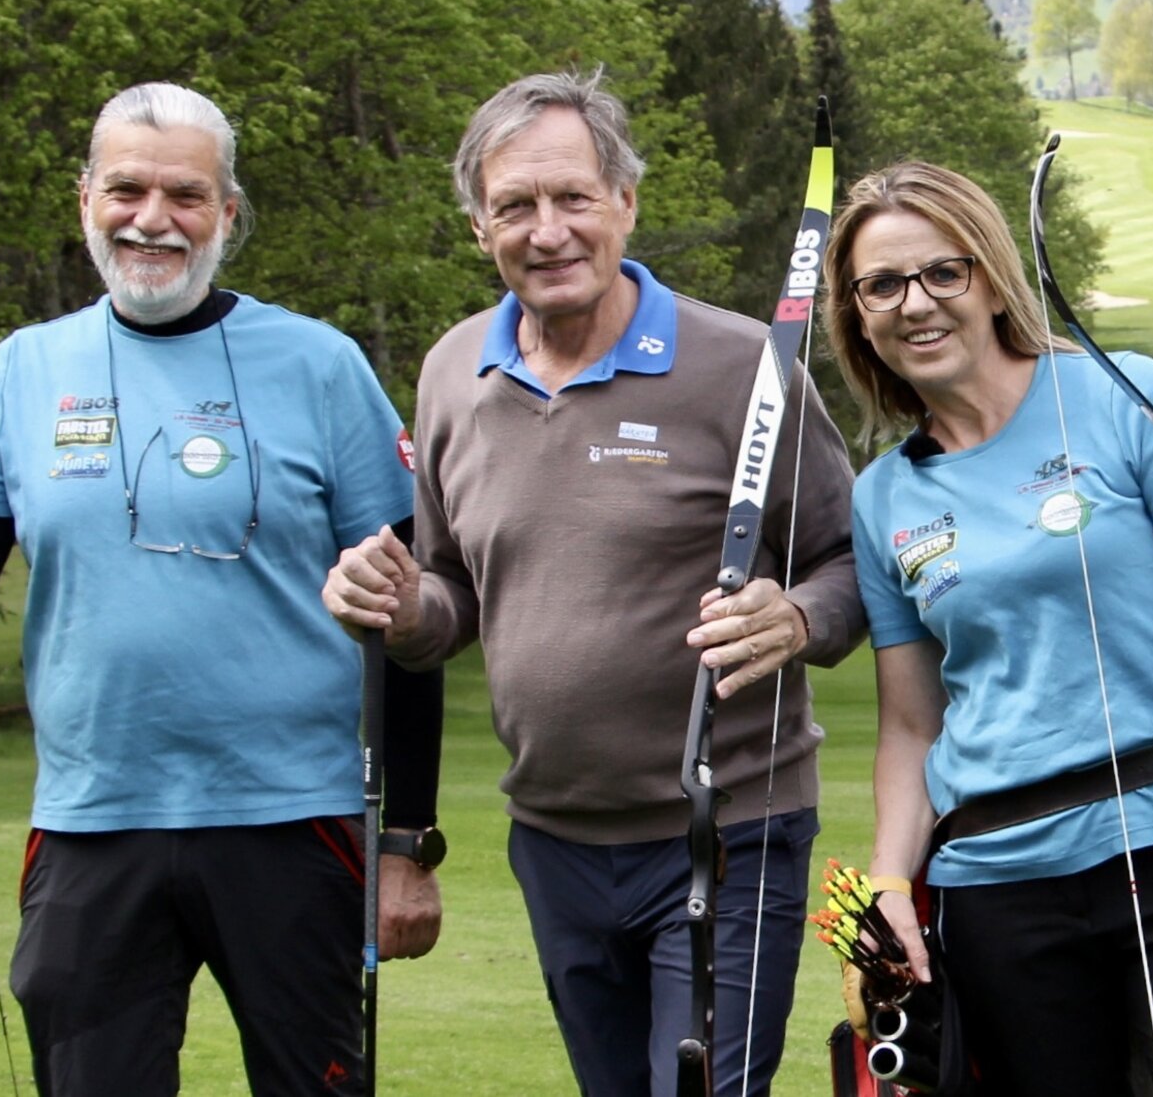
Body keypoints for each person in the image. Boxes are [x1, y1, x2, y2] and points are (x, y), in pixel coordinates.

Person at [0, 83, 446, 1096]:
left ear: (229, 214)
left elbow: (409, 626)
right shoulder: (18, 374)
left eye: (185, 193)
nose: (152, 217)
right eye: (126, 187)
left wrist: (406, 843)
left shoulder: (321, 366)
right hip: (91, 824)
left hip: (291, 821)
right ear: (85, 197)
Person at [321, 70, 863, 1097]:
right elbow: (448, 597)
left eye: (571, 196)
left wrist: (795, 615)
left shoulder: (744, 366)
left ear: (624, 202)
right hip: (555, 841)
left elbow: (855, 564)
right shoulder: (450, 375)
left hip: (728, 829)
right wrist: (398, 610)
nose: (547, 228)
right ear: (480, 228)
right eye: (514, 205)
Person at [821, 161, 1153, 1096]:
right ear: (857, 312)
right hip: (995, 887)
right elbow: (911, 725)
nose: (916, 303)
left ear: (988, 276)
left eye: (944, 271)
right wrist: (891, 886)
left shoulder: (1119, 390)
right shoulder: (882, 498)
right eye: (883, 284)